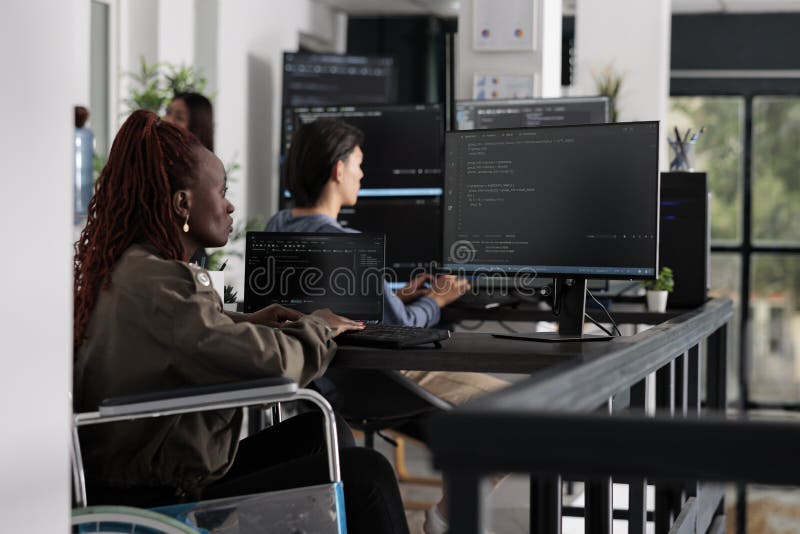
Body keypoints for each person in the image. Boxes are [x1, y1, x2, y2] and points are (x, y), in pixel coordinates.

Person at [73, 109, 409, 534]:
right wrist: (319, 326)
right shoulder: (161, 280)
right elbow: (277, 367)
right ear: (183, 204)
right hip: (162, 491)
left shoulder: (133, 267)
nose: (230, 204)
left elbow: (182, 337)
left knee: (321, 434)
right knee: (369, 476)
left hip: (143, 468)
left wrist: (246, 321)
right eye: (222, 190)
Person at [265, 118, 508, 533]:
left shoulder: (277, 228)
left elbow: (338, 307)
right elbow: (407, 331)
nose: (362, 174)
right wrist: (437, 298)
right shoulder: (347, 243)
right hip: (384, 380)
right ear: (338, 170)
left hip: (326, 384)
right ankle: (445, 517)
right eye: (358, 165)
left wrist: (394, 296)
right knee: (512, 415)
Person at [164, 92, 215, 265]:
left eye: (178, 117)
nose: (167, 120)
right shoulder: (155, 161)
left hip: (187, 258)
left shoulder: (205, 173)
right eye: (168, 112)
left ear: (196, 127)